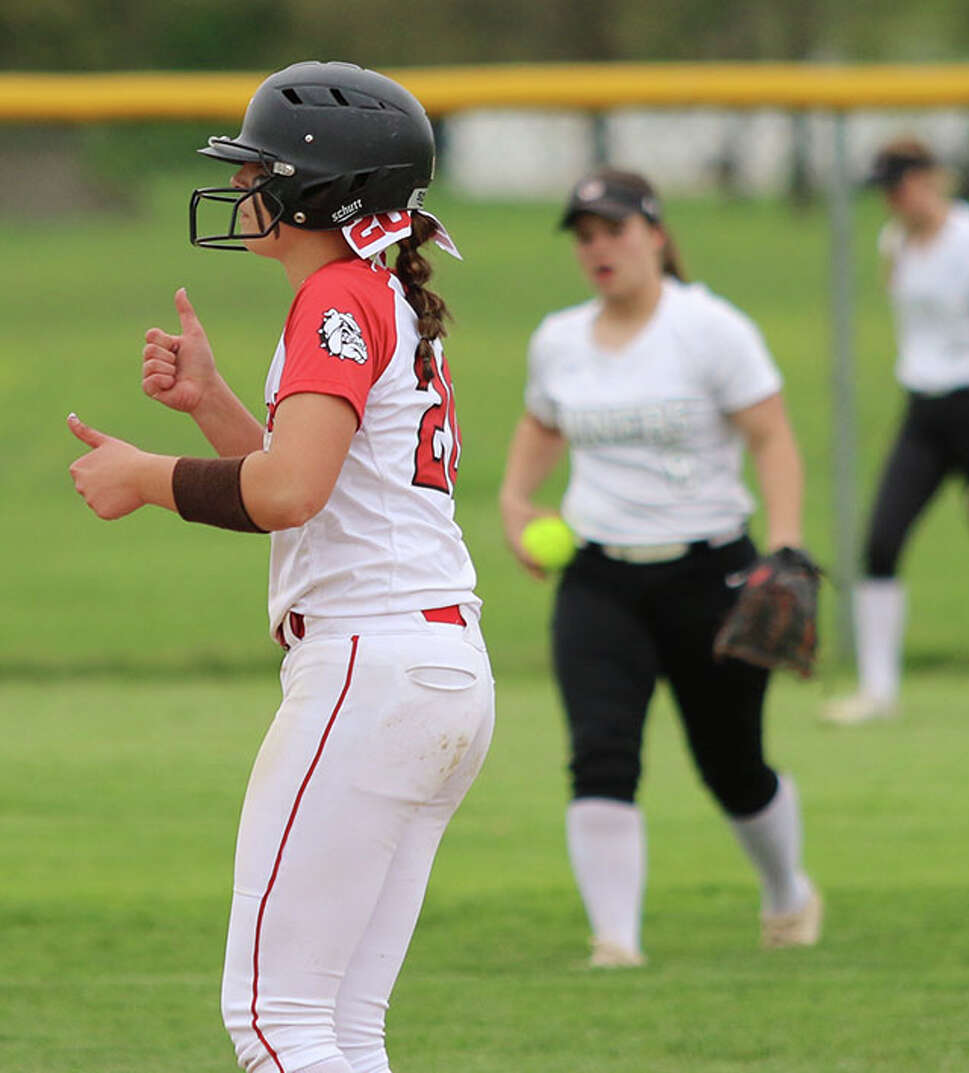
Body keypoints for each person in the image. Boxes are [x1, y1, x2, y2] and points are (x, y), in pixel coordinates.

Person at [67, 61, 495, 1073]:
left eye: (262, 166)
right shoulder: (377, 288)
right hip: (432, 664)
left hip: (370, 668)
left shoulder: (339, 296)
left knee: (278, 1023)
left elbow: (290, 494)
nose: (247, 184)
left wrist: (150, 475)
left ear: (322, 188)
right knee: (340, 1028)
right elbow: (317, 487)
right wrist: (213, 411)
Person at [498, 167, 822, 966]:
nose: (599, 248)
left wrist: (783, 546)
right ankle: (617, 941)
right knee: (602, 750)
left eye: (614, 230)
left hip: (710, 573)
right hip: (600, 576)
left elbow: (772, 435)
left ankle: (787, 890)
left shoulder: (709, 328)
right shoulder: (559, 338)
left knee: (731, 764)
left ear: (656, 233)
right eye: (585, 235)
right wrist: (514, 499)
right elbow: (542, 423)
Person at [825, 138, 969, 725]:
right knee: (881, 540)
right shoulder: (895, 241)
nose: (891, 200)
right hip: (923, 412)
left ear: (928, 180)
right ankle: (879, 692)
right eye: (885, 190)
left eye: (898, 186)